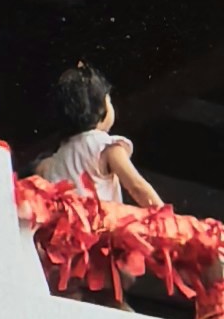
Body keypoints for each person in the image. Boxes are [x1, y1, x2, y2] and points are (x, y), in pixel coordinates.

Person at [33, 61, 163, 208]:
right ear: (101, 108)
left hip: (69, 230)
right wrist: (171, 224)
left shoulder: (49, 165)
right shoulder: (106, 147)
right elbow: (137, 187)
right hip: (104, 230)